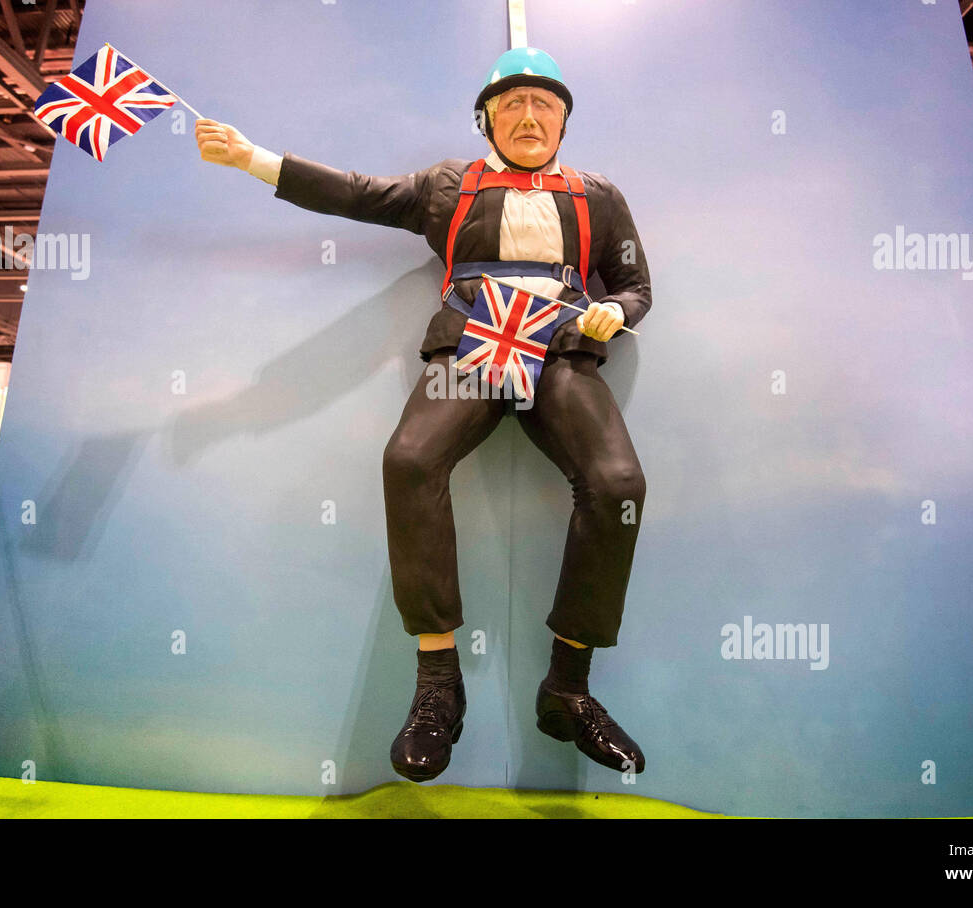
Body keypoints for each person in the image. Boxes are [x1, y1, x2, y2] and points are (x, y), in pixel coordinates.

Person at [195, 47, 653, 780]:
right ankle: (438, 685)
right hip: (469, 351)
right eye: (512, 105)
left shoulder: (597, 194)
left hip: (559, 355)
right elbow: (358, 194)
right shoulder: (449, 185)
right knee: (408, 461)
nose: (529, 116)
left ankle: (568, 688)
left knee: (617, 485)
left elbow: (635, 283)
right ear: (487, 119)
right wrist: (255, 160)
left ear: (565, 119)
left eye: (544, 105)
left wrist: (611, 310)